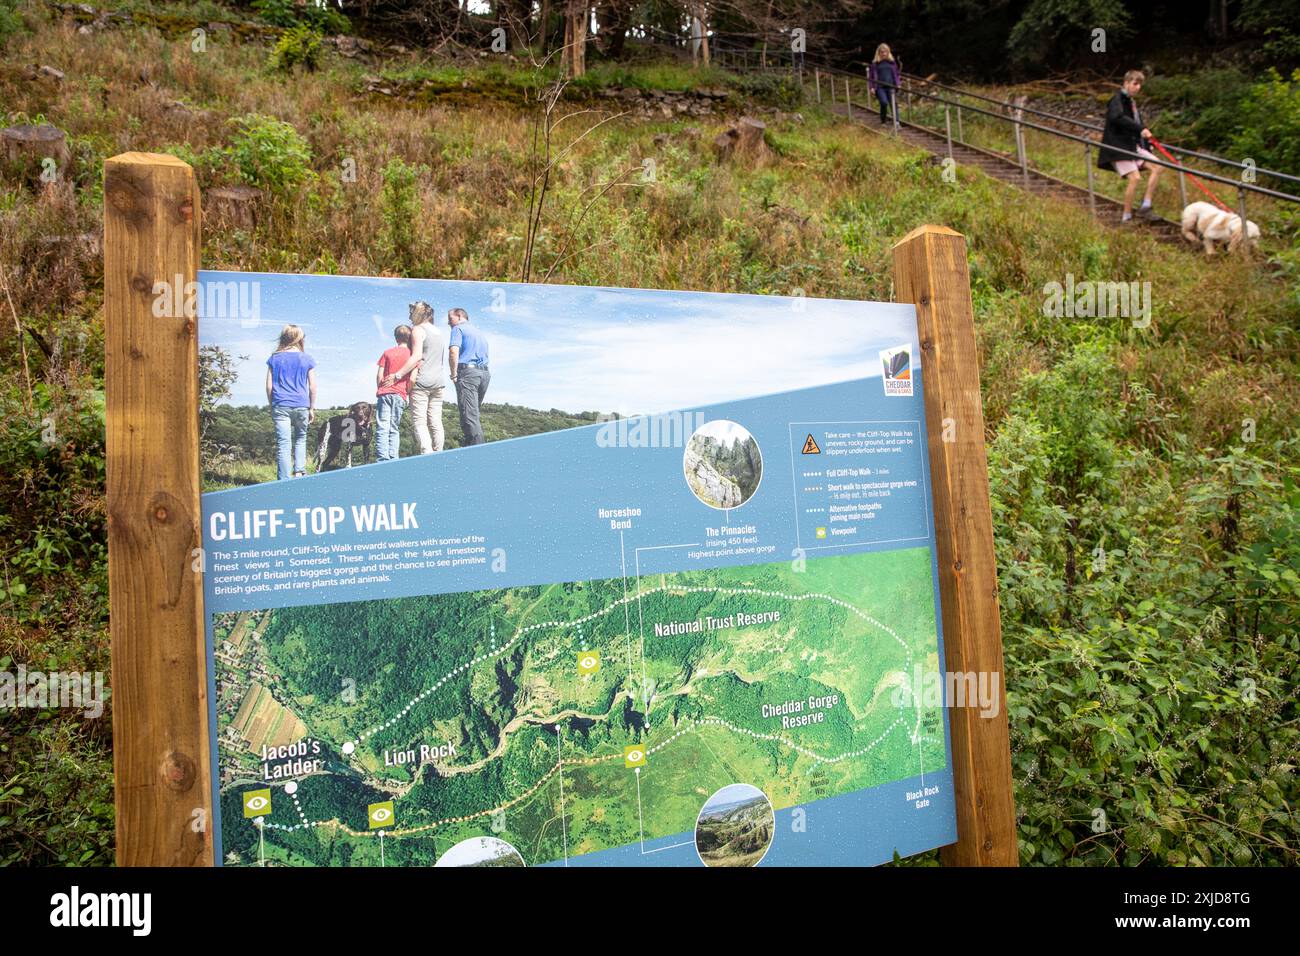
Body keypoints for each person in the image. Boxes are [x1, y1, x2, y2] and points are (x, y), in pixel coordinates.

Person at [1098, 69, 1162, 222]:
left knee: (1158, 166)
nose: (1138, 87)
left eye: (1140, 84)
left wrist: (1146, 142)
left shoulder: (1131, 102)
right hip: (1117, 147)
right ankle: (1126, 217)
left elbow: (1137, 125)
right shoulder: (1117, 100)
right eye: (1135, 83)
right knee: (1135, 178)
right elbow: (1117, 118)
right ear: (1126, 83)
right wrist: (1141, 129)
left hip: (1131, 146)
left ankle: (1146, 205)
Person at [383, 302, 446, 455]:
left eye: (411, 313)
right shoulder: (439, 331)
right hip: (439, 382)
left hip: (422, 382)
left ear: (417, 313)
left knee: (420, 422)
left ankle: (428, 455)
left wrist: (397, 375)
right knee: (436, 421)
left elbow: (416, 356)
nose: (409, 317)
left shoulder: (418, 330)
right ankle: (439, 454)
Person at [265, 324, 316, 480]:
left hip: (280, 404)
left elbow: (269, 386)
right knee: (301, 439)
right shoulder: (307, 358)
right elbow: (312, 387)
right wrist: (312, 408)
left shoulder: (274, 358)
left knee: (284, 444)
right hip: (302, 405)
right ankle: (299, 473)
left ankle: (284, 480)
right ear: (300, 338)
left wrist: (271, 404)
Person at [447, 307, 490, 446]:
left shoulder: (458, 329)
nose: (449, 323)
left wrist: (453, 374)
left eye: (450, 319)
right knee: (473, 414)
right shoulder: (479, 332)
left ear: (459, 316)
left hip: (468, 373)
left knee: (469, 417)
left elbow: (453, 351)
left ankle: (477, 454)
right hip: (484, 374)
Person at [375, 325, 413, 461]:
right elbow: (412, 378)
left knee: (382, 427)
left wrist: (380, 388)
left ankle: (382, 459)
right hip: (400, 394)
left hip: (385, 393)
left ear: (395, 337)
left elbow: (379, 375)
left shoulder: (387, 353)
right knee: (394, 427)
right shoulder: (412, 355)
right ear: (410, 338)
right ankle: (393, 458)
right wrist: (406, 393)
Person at [868, 44, 901, 126]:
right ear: (878, 53)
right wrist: (871, 87)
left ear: (888, 52)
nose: (884, 54)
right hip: (879, 87)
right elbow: (871, 77)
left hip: (891, 86)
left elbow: (896, 74)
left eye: (885, 52)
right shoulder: (875, 64)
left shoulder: (892, 63)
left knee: (893, 103)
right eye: (882, 52)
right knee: (884, 102)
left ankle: (896, 121)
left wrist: (898, 83)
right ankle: (883, 120)